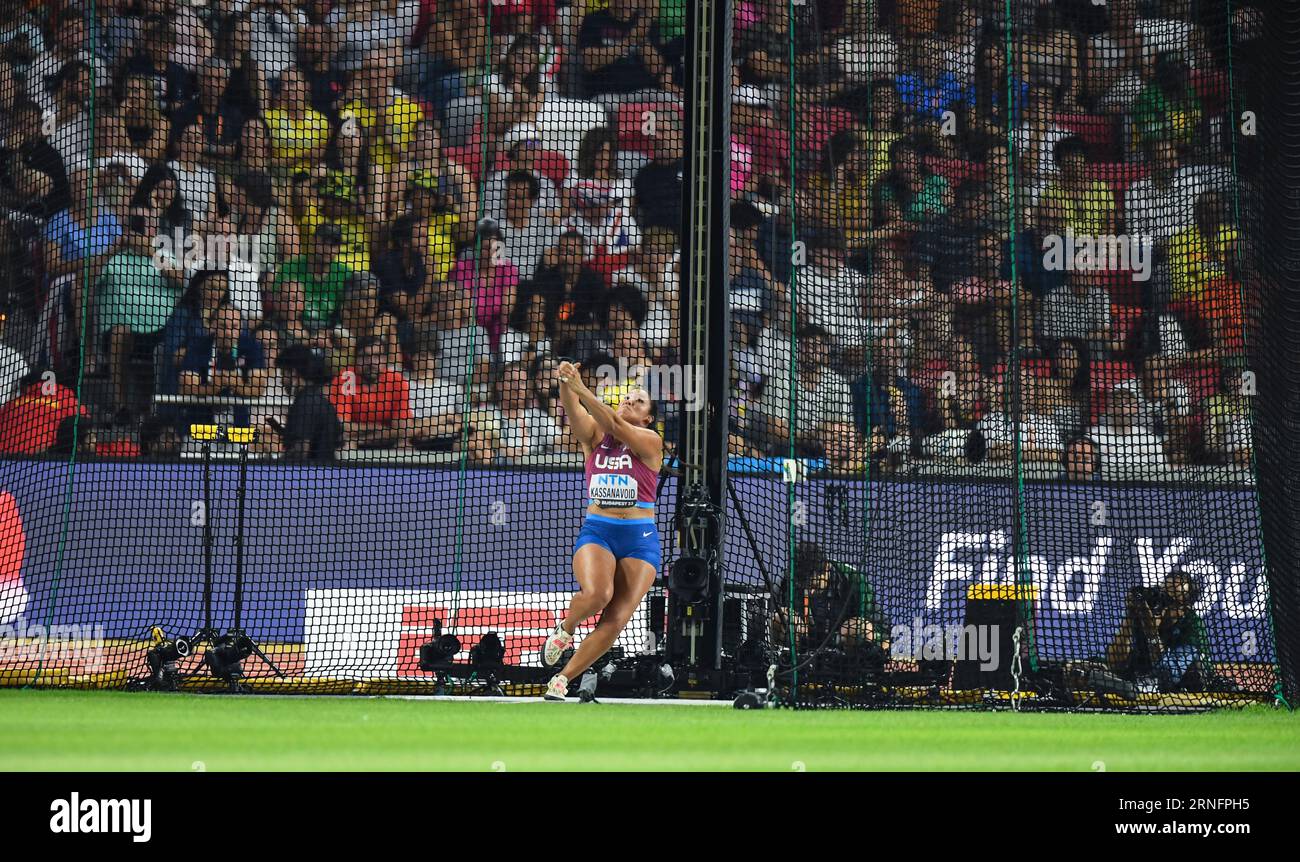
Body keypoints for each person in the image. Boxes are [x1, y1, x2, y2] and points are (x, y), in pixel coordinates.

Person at [539, 360, 663, 701]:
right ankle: (565, 629)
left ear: (648, 418)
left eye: (639, 402)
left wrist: (581, 388)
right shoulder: (595, 435)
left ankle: (562, 680)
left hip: (640, 539)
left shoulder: (649, 441)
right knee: (597, 595)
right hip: (599, 531)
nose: (630, 402)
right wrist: (566, 383)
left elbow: (616, 425)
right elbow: (574, 412)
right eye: (628, 398)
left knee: (616, 618)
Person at [770, 541, 890, 671]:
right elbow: (773, 624)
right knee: (781, 618)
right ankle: (791, 667)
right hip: (804, 644)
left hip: (842, 649)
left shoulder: (854, 580)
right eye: (803, 586)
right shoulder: (786, 580)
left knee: (859, 628)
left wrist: (877, 653)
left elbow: (882, 630)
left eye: (814, 586)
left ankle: (854, 673)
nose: (809, 592)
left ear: (827, 567)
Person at [1105, 571, 1209, 693]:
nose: (1162, 603)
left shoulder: (1193, 625)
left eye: (1170, 600)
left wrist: (1152, 633)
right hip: (1143, 681)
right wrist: (1130, 617)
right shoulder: (1145, 615)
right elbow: (1115, 663)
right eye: (1162, 593)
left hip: (1183, 688)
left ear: (1185, 607)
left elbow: (1169, 675)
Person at [275, 343, 342, 462]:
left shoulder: (304, 403)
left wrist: (274, 463)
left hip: (308, 476)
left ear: (293, 373)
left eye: (283, 374)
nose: (281, 381)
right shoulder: (323, 401)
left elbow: (301, 449)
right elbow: (339, 440)